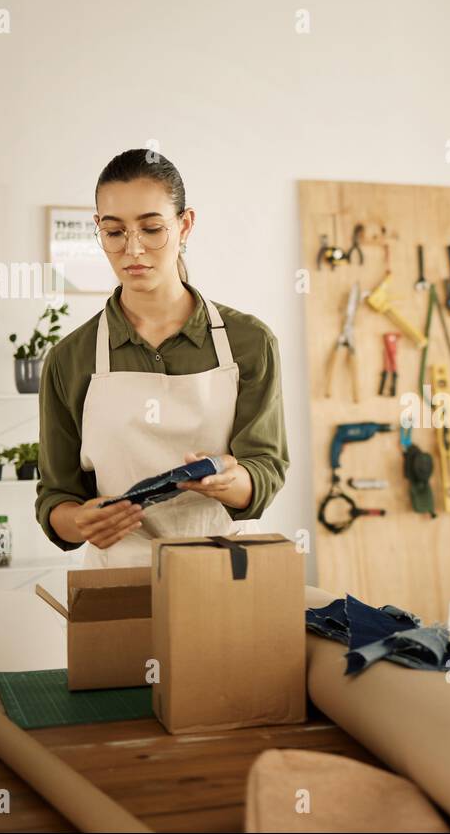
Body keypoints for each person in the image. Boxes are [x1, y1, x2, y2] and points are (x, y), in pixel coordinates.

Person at [35, 149, 288, 567]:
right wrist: (81, 521)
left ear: (185, 224)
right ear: (99, 230)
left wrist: (229, 481)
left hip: (228, 574)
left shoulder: (250, 342)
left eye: (152, 229)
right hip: (118, 578)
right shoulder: (70, 358)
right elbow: (56, 498)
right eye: (115, 233)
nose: (133, 249)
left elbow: (265, 469)